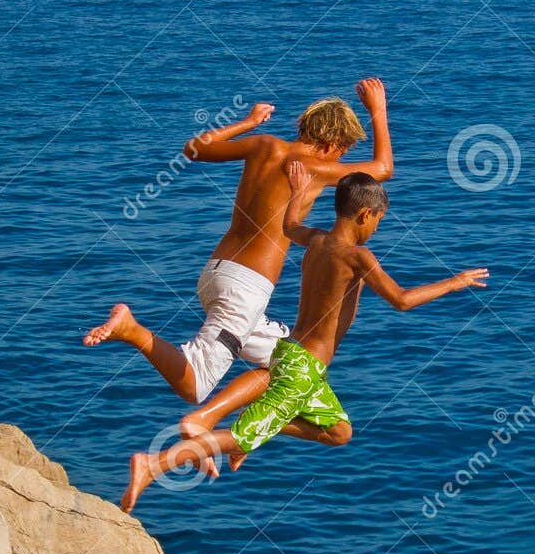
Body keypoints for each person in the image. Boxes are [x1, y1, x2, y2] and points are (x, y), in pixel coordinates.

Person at [120, 164, 488, 509]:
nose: (377, 228)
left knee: (340, 432)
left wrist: (297, 191)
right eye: (378, 220)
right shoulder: (359, 257)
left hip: (291, 354)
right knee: (238, 437)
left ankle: (263, 425)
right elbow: (402, 300)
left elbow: (290, 223)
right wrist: (454, 283)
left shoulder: (316, 241)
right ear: (365, 215)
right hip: (303, 368)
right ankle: (154, 463)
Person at [84, 81, 393, 404]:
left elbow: (194, 148)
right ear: (331, 144)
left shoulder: (264, 145)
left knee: (298, 362)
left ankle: (233, 437)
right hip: (244, 290)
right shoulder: (316, 168)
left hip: (216, 273)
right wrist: (378, 109)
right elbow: (383, 169)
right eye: (344, 151)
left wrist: (248, 122)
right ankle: (132, 330)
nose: (341, 160)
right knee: (195, 385)